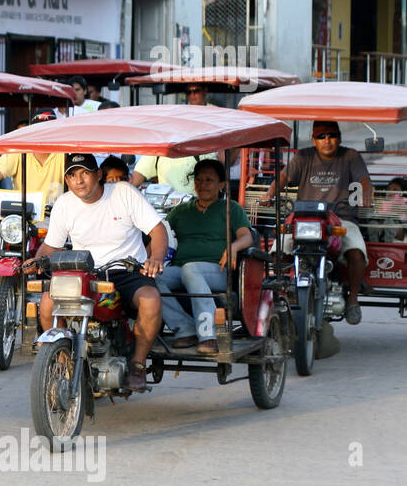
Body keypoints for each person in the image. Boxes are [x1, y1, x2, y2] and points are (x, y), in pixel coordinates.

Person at [32, 153, 168, 392]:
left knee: (151, 300)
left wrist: (155, 258)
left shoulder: (123, 192)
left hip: (126, 271)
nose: (79, 181)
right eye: (72, 175)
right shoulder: (64, 203)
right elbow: (51, 245)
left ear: (98, 175)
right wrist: (35, 261)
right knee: (46, 303)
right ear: (67, 180)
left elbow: (157, 230)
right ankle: (64, 362)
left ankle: (137, 364)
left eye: (85, 173)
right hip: (85, 274)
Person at [0, 114, 66, 345]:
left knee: (56, 273)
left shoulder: (65, 153)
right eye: (39, 128)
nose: (43, 133)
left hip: (54, 221)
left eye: (48, 128)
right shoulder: (19, 153)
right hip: (20, 221)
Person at [260, 120, 372, 324]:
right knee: (278, 249)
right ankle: (279, 293)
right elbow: (283, 177)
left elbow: (364, 181)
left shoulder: (350, 156)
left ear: (339, 137)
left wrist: (366, 195)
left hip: (341, 219)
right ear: (314, 139)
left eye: (331, 135)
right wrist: (270, 193)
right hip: (304, 218)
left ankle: (354, 299)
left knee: (356, 252)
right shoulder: (303, 157)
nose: (327, 140)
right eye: (321, 136)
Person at [156, 159, 254, 353]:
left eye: (209, 180)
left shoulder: (231, 208)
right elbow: (161, 233)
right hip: (181, 270)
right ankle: (185, 328)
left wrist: (234, 247)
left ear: (221, 185)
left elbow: (246, 236)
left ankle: (208, 334)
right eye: (199, 180)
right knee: (149, 277)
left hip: (218, 270)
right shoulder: (181, 211)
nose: (202, 185)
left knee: (190, 268)